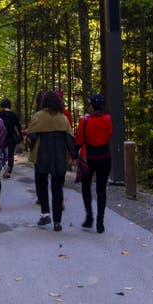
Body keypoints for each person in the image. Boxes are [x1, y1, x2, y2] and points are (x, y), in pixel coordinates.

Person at [27, 90, 77, 231]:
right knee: (57, 188)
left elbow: (32, 137)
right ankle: (57, 221)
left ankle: (45, 213)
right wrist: (74, 156)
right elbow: (69, 139)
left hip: (42, 156)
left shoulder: (38, 116)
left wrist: (31, 148)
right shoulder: (62, 118)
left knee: (41, 185)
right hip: (59, 157)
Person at [75, 92, 113, 233]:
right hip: (104, 157)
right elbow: (109, 134)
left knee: (86, 187)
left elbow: (78, 141)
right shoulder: (108, 119)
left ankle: (89, 215)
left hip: (88, 159)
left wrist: (74, 153)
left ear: (92, 105)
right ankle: (100, 222)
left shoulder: (84, 121)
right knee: (101, 190)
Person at [0, 98, 23, 178]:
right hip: (12, 136)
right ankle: (9, 172)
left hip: (2, 137)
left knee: (1, 153)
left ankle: (3, 167)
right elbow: (18, 127)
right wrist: (21, 135)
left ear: (2, 105)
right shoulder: (14, 114)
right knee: (11, 155)